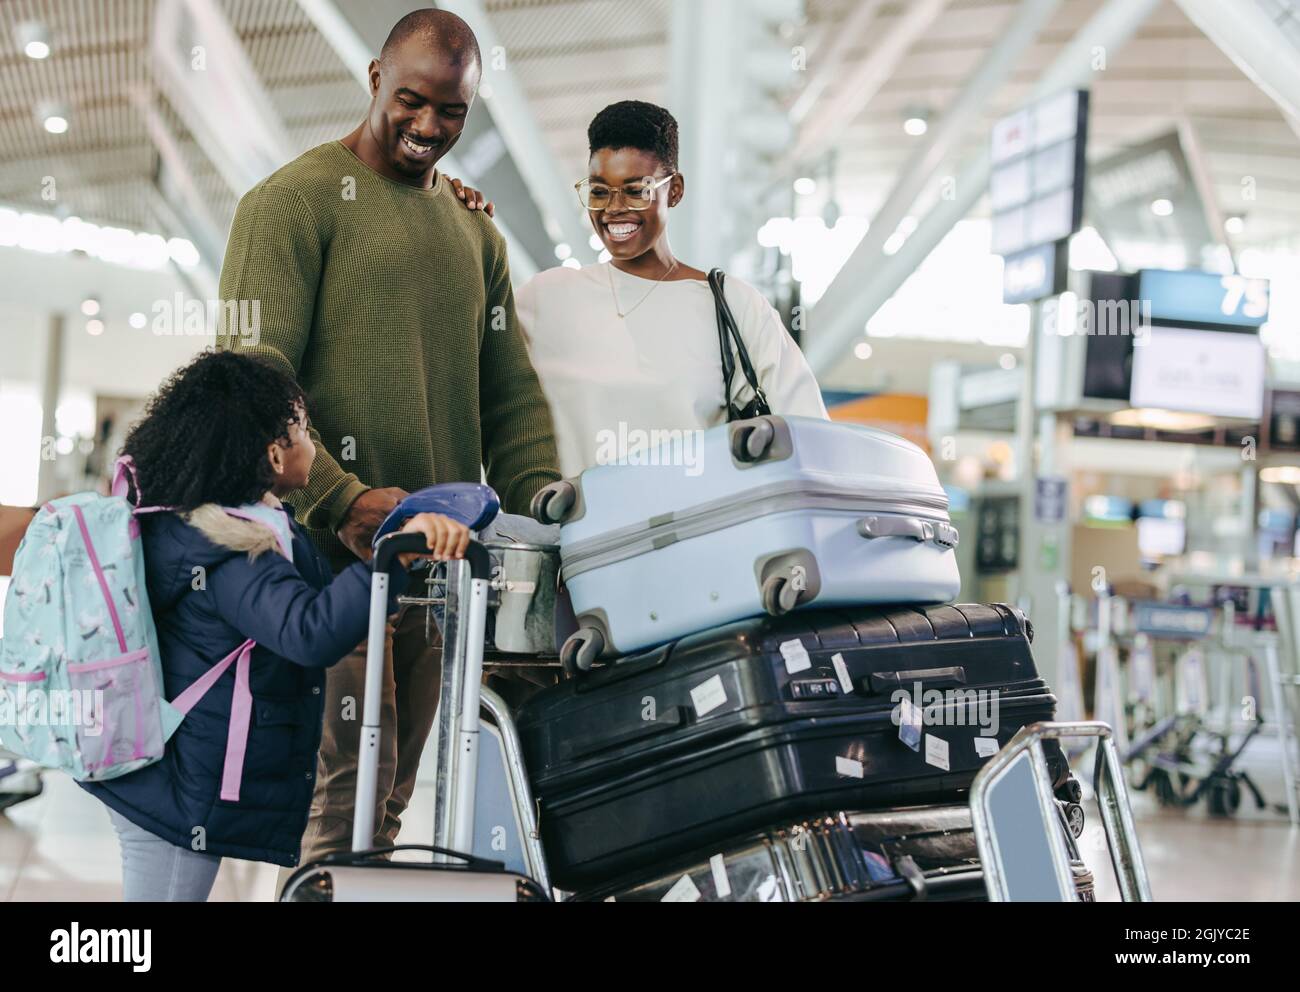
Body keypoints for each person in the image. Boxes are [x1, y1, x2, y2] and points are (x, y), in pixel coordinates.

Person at [215, 8, 561, 869]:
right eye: (412, 100)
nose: (428, 127)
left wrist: (550, 500)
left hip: (438, 569)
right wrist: (342, 499)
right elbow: (253, 380)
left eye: (452, 112)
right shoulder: (290, 203)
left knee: (392, 796)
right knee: (340, 796)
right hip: (330, 565)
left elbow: (509, 395)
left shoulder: (474, 230)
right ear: (374, 78)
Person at [80, 351, 470, 901]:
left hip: (167, 771)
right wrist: (395, 558)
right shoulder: (232, 546)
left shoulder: (201, 521)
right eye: (305, 430)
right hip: (177, 788)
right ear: (274, 452)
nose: (313, 444)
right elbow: (308, 632)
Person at [516, 100, 828, 478]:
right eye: (599, 192)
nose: (614, 209)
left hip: (698, 532)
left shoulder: (731, 305)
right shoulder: (546, 298)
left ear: (675, 190)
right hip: (579, 534)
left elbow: (811, 435)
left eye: (636, 191)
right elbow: (466, 380)